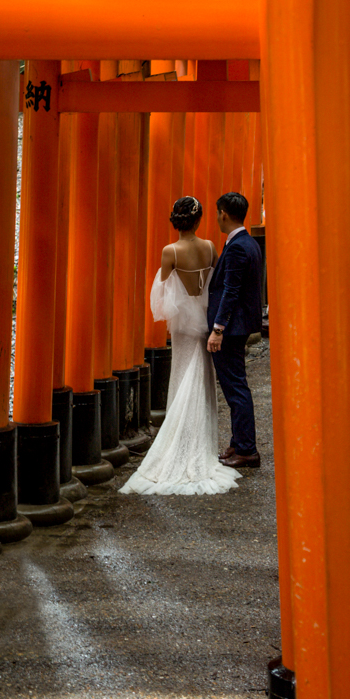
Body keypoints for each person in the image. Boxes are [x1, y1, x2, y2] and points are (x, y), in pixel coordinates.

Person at [120, 196, 241, 495]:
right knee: (202, 376)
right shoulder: (210, 247)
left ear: (175, 221)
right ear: (199, 220)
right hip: (206, 316)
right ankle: (199, 441)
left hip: (183, 323)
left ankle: (180, 437)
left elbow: (162, 292)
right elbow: (219, 280)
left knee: (182, 372)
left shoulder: (170, 251)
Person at [206, 192, 264, 468]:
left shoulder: (239, 246)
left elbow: (231, 290)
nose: (217, 217)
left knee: (235, 388)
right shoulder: (247, 242)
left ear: (224, 214)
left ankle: (247, 449)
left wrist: (218, 328)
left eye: (218, 213)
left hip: (230, 328)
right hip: (237, 326)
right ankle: (238, 442)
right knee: (235, 386)